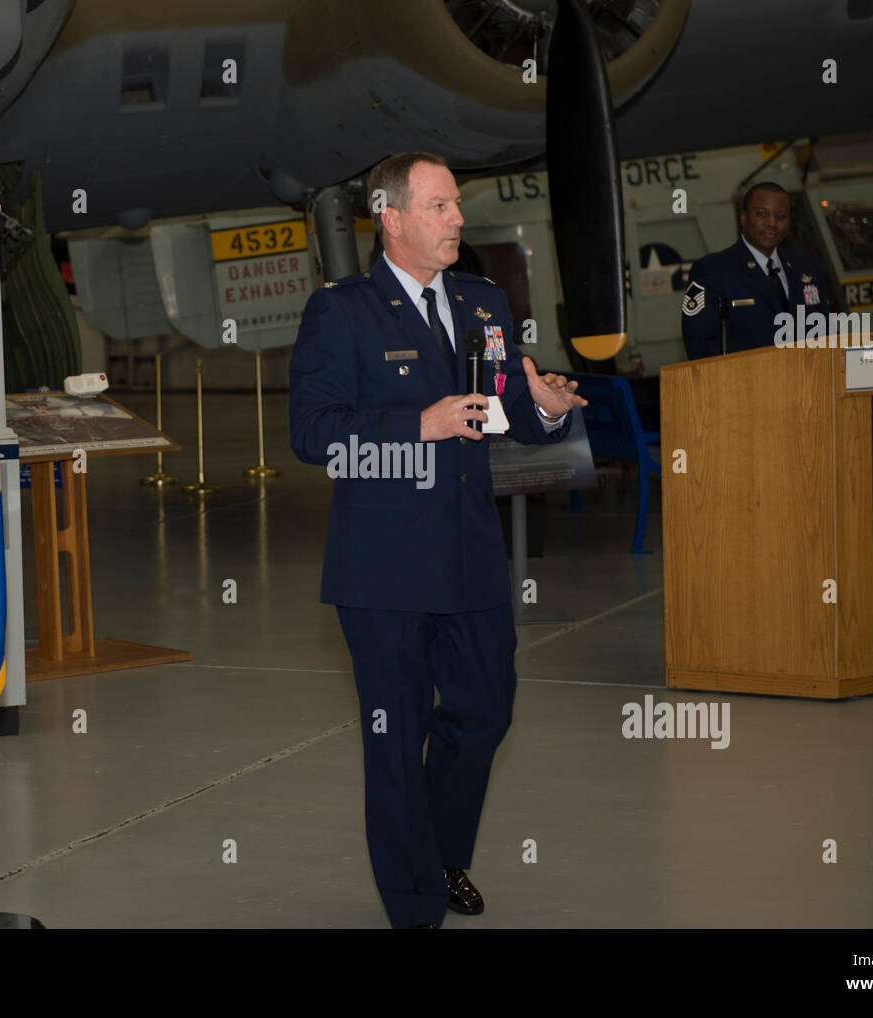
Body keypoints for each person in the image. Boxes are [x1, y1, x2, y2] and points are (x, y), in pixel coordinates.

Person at [288, 152, 587, 929]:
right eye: (441, 206)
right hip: (383, 569)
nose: (458, 218)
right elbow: (315, 436)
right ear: (391, 218)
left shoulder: (484, 303)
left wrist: (543, 407)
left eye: (456, 205)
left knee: (486, 712)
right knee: (396, 738)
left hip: (470, 556)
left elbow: (501, 408)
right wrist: (417, 427)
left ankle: (441, 852)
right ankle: (415, 905)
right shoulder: (343, 311)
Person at [681, 181, 830, 359]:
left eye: (781, 216)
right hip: (744, 384)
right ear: (743, 218)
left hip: (807, 381)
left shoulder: (805, 267)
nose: (772, 223)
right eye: (762, 214)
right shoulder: (712, 271)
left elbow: (826, 334)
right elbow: (700, 347)